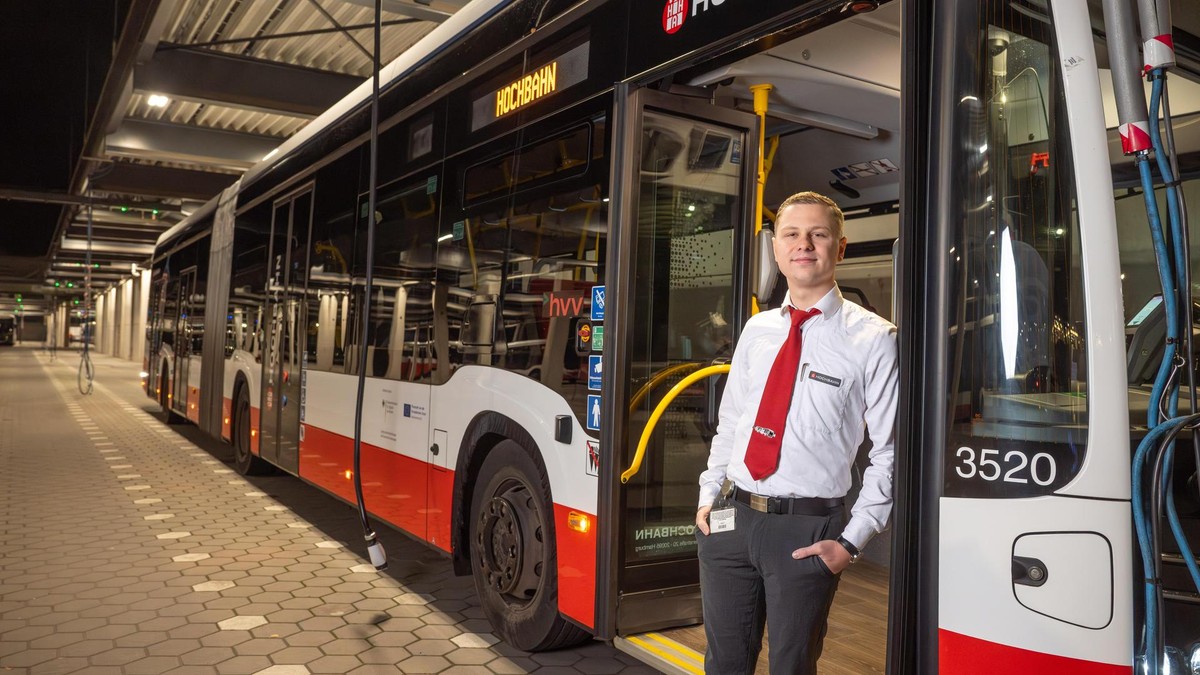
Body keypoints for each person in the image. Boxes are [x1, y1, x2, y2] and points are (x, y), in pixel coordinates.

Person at [695, 191, 898, 674]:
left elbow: (891, 453)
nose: (804, 244)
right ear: (777, 250)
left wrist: (851, 542)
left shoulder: (875, 339)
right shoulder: (757, 330)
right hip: (730, 520)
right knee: (723, 664)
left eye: (818, 234)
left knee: (792, 666)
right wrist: (708, 496)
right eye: (791, 234)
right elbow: (732, 423)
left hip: (807, 533)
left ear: (840, 248)